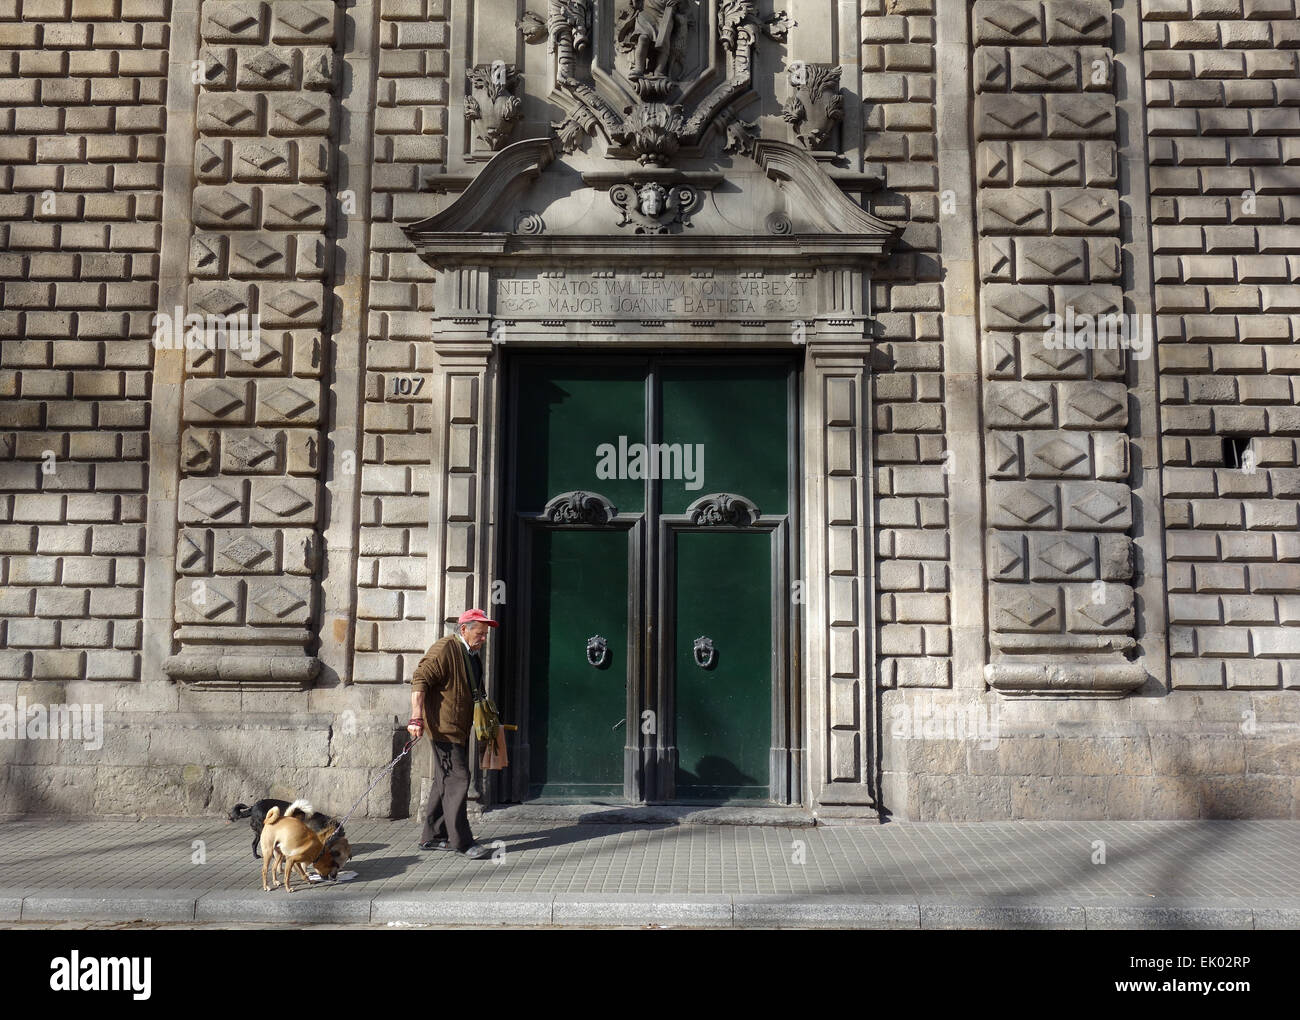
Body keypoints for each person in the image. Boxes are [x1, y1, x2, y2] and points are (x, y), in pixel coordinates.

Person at [407, 608, 498, 859]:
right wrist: (416, 717)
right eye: (480, 634)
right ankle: (462, 842)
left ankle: (433, 836)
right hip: (444, 730)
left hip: (460, 728)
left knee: (444, 780)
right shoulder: (445, 648)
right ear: (464, 630)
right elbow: (420, 679)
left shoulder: (472, 655)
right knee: (459, 778)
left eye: (485, 634)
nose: (483, 639)